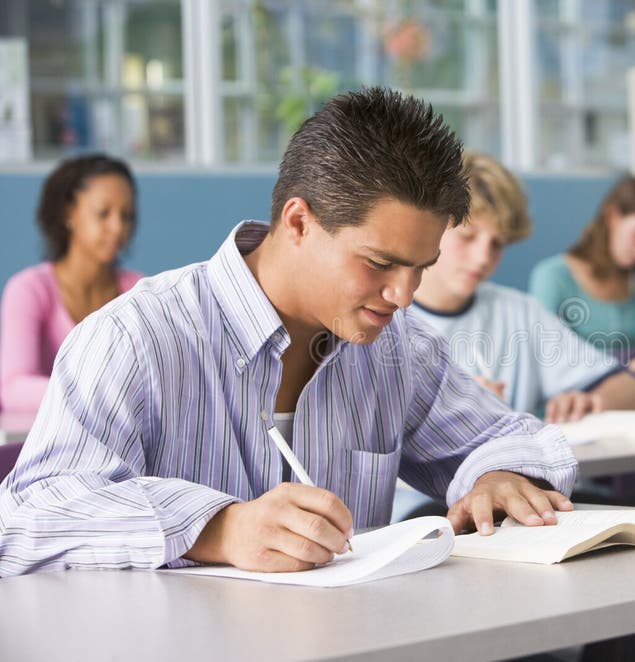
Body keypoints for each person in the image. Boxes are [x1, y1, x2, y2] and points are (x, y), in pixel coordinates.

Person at [0, 88, 577, 578]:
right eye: (379, 263)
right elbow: (31, 515)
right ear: (299, 222)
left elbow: (510, 436)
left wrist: (500, 475)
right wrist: (218, 528)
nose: (403, 295)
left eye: (420, 268)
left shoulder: (399, 349)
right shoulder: (135, 338)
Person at [411, 151, 635, 423]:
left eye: (497, 244)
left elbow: (633, 391)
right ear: (429, 228)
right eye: (468, 237)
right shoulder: (386, 317)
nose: (483, 258)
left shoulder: (518, 313)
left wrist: (589, 402)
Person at [0, 154, 142, 413]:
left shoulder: (140, 290)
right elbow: (12, 388)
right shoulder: (29, 290)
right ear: (69, 213)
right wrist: (98, 393)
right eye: (103, 214)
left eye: (127, 216)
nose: (118, 227)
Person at [528, 176, 635, 356]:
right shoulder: (553, 277)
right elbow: (545, 354)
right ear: (612, 216)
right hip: (579, 383)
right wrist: (624, 363)